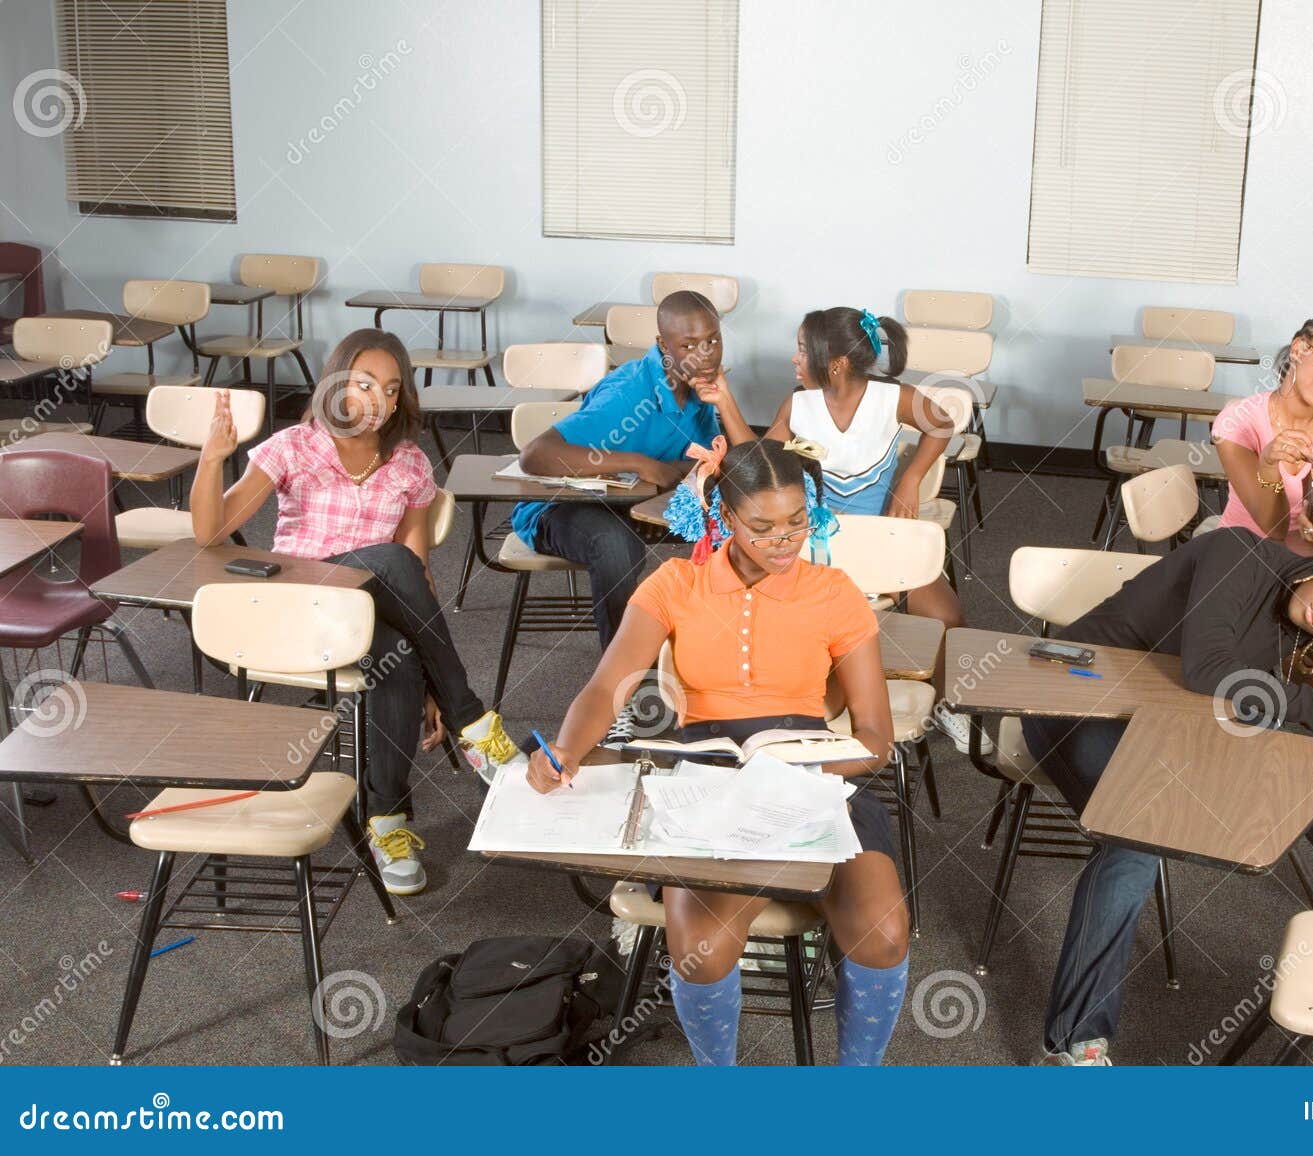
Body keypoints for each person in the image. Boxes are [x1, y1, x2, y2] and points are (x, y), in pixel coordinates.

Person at [1022, 486, 1313, 1066]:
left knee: (1305, 773)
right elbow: (1207, 668)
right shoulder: (1235, 552)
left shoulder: (1304, 615)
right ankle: (1076, 1042)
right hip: (1079, 701)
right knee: (1137, 839)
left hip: (1181, 720)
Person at [525, 440, 910, 1065]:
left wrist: (795, 771)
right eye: (762, 527)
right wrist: (567, 748)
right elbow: (606, 685)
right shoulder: (676, 583)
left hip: (816, 778)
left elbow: (873, 740)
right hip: (707, 780)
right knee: (700, 947)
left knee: (884, 934)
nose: (783, 541)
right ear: (725, 517)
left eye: (795, 523)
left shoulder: (835, 592)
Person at [190, 328, 528, 896]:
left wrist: (424, 683)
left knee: (395, 654)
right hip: (298, 608)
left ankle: (387, 823)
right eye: (364, 383)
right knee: (391, 558)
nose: (379, 400)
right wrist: (210, 460)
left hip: (366, 621)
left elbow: (416, 579)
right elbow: (209, 533)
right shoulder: (293, 446)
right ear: (334, 384)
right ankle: (472, 720)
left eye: (392, 389)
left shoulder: (410, 464)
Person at [509, 291, 754, 743]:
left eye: (713, 341)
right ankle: (623, 697)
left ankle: (724, 679)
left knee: (746, 528)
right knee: (616, 545)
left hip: (636, 508)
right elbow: (536, 456)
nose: (704, 354)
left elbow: (748, 471)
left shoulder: (701, 390)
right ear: (664, 345)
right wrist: (641, 463)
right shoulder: (629, 393)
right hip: (565, 510)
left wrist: (726, 404)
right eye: (689, 344)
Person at [757, 305, 987, 753]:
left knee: (948, 619)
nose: (794, 359)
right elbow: (762, 456)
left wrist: (910, 477)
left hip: (883, 544)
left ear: (836, 362)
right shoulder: (799, 405)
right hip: (822, 549)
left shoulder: (891, 397)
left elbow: (941, 423)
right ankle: (795, 699)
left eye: (802, 350)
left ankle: (945, 708)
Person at [1213, 314, 1313, 555]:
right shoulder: (1235, 421)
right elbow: (1274, 530)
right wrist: (1268, 466)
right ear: (1299, 349)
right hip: (1244, 550)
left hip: (1311, 553)